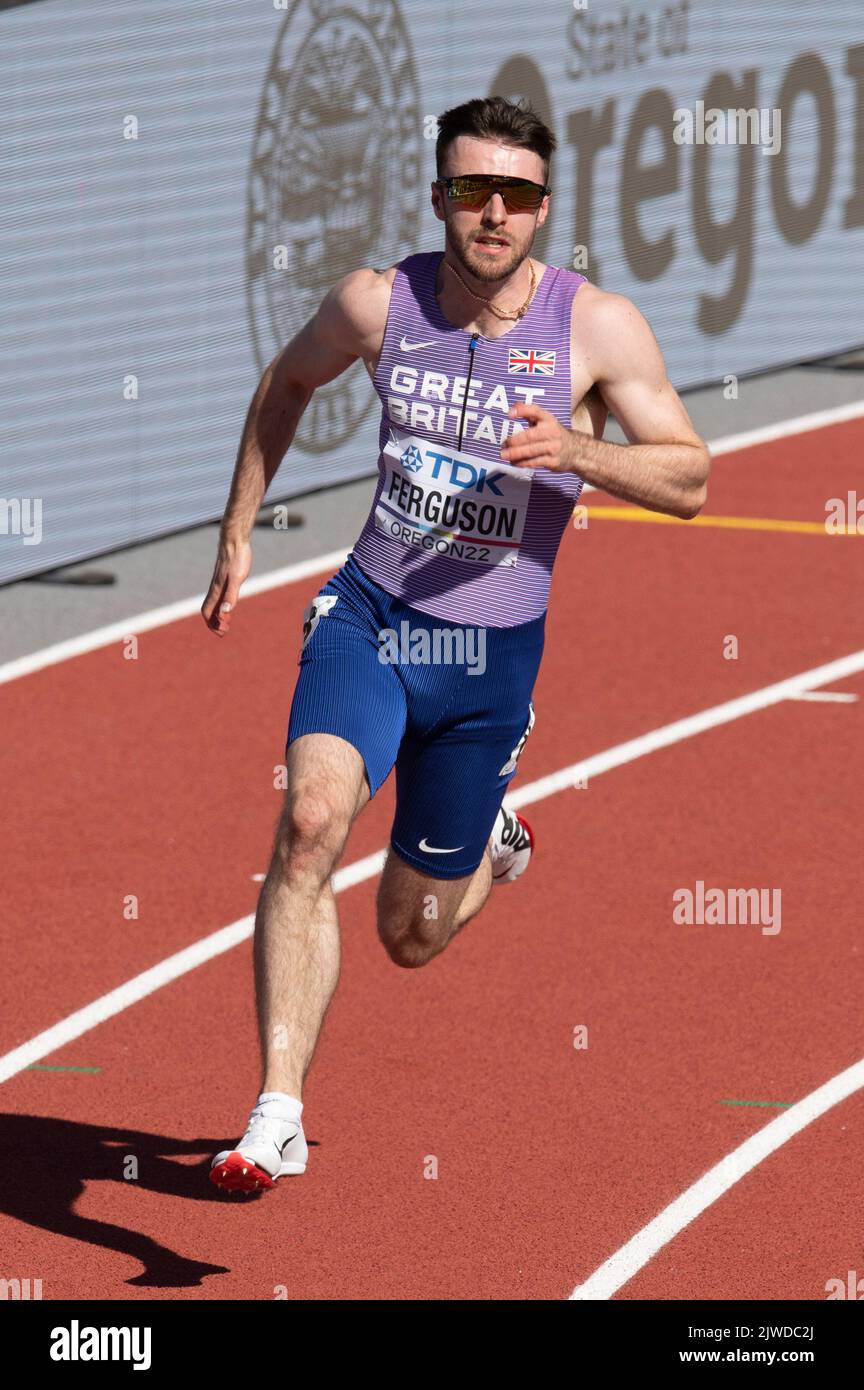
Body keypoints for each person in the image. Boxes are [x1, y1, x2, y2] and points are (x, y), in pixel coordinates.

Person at [202, 96, 710, 1193]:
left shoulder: (596, 329)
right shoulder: (378, 304)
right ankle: (276, 1113)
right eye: (473, 190)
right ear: (438, 197)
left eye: (518, 195)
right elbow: (289, 380)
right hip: (372, 618)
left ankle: (494, 845)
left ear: (542, 209)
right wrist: (241, 526)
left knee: (411, 934)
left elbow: (692, 476)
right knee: (309, 822)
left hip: (490, 664)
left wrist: (578, 446)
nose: (494, 212)